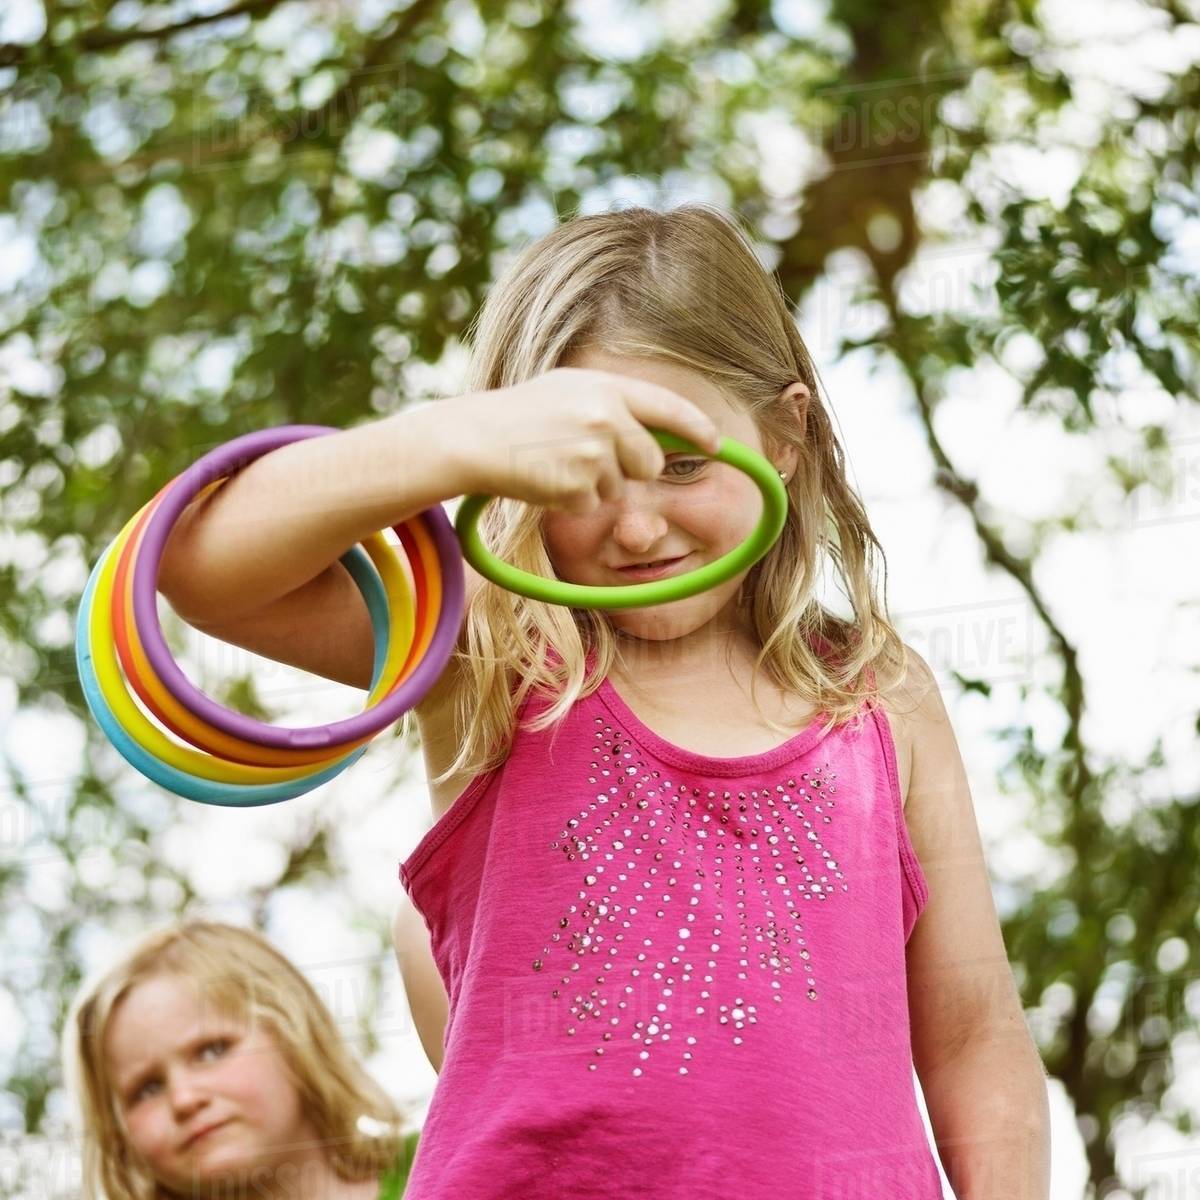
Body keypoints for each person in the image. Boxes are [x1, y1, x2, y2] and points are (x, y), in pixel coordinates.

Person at [156, 203, 1049, 1197]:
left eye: (681, 464)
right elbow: (201, 568)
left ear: (786, 436)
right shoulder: (496, 658)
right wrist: (450, 442)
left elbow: (976, 1036)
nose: (633, 528)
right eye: (586, 480)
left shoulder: (878, 694)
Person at [62, 919, 420, 1199]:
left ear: (294, 1033)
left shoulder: (443, 1159)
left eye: (212, 1050)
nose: (184, 1099)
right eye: (147, 1089)